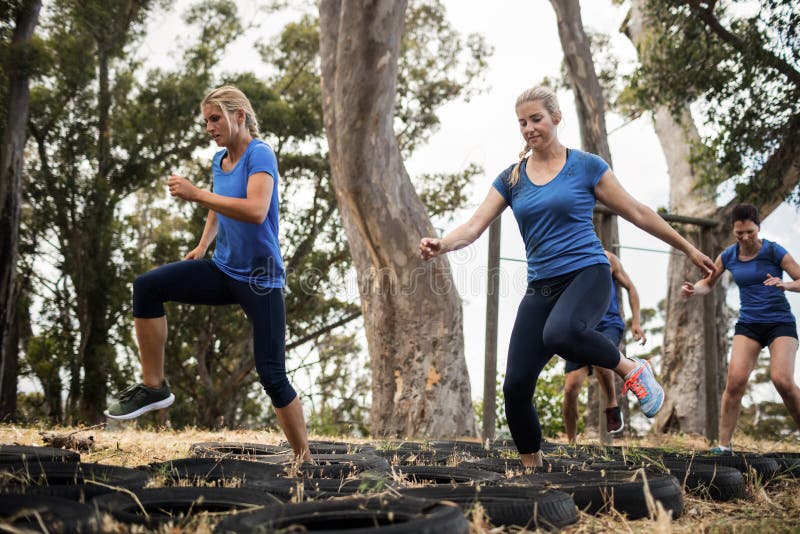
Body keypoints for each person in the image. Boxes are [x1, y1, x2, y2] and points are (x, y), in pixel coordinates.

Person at [419, 86, 715, 467]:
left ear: (556, 118)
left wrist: (688, 248)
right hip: (541, 286)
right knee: (515, 386)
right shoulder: (511, 179)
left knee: (560, 334)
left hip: (588, 273)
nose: (528, 128)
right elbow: (474, 226)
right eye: (522, 122)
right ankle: (533, 470)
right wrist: (442, 244)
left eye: (536, 119)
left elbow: (638, 212)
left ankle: (631, 369)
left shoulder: (586, 166)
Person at [105, 85, 311, 462]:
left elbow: (254, 210)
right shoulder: (220, 161)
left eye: (215, 119)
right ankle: (154, 387)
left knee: (271, 374)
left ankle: (303, 458)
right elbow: (220, 207)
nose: (209, 127)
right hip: (223, 268)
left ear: (239, 116)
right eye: (206, 121)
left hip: (260, 280)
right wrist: (203, 245)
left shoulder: (260, 154)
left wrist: (196, 193)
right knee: (147, 287)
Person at [682, 203, 800, 453]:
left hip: (780, 323)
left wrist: (785, 285)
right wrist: (694, 289)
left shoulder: (774, 251)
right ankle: (724, 446)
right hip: (749, 324)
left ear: (758, 227)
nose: (745, 238)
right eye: (739, 233)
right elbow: (708, 283)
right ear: (734, 231)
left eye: (750, 232)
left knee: (782, 380)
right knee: (735, 382)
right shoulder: (728, 256)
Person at [562, 250, 647, 443]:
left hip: (608, 324)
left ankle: (612, 405)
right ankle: (572, 443)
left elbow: (631, 288)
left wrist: (636, 322)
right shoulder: (568, 258)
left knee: (601, 358)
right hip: (579, 327)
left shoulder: (608, 259)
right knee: (570, 389)